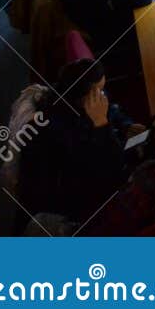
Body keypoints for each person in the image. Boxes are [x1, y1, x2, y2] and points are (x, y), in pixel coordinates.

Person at [17, 58, 133, 223]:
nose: (103, 97)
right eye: (99, 91)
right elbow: (112, 171)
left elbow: (111, 110)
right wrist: (101, 125)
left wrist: (126, 125)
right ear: (82, 96)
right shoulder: (55, 130)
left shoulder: (78, 98)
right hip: (74, 204)